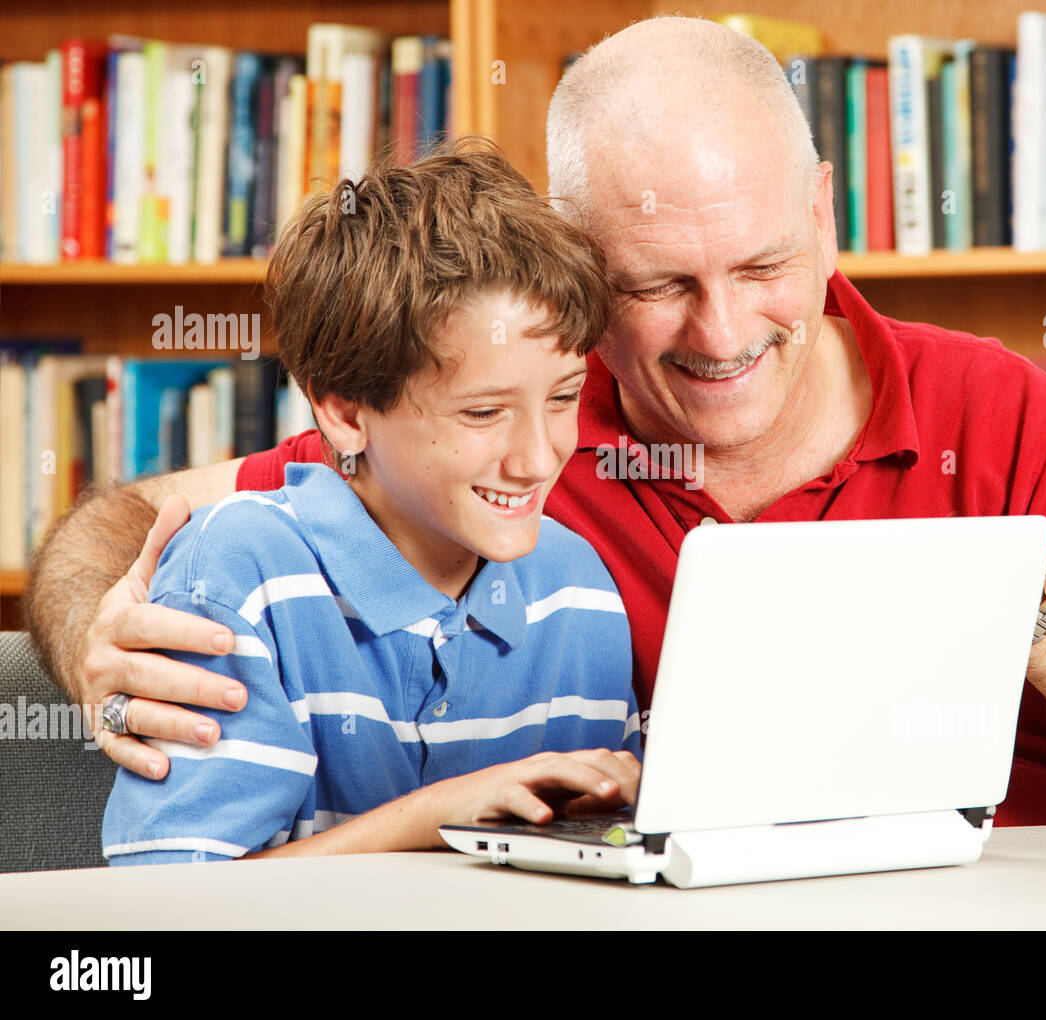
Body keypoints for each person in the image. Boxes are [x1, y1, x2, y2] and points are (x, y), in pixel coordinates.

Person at [30, 17, 1046, 827]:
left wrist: (1031, 586)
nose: (722, 330)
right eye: (654, 286)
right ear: (576, 272)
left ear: (824, 211)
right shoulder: (509, 442)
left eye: (762, 265)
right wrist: (100, 631)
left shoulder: (998, 412)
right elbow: (130, 516)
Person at [98, 140, 642, 864]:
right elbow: (168, 902)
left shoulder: (579, 589)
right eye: (482, 414)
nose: (539, 459)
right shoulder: (240, 576)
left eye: (564, 399)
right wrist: (434, 817)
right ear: (347, 414)